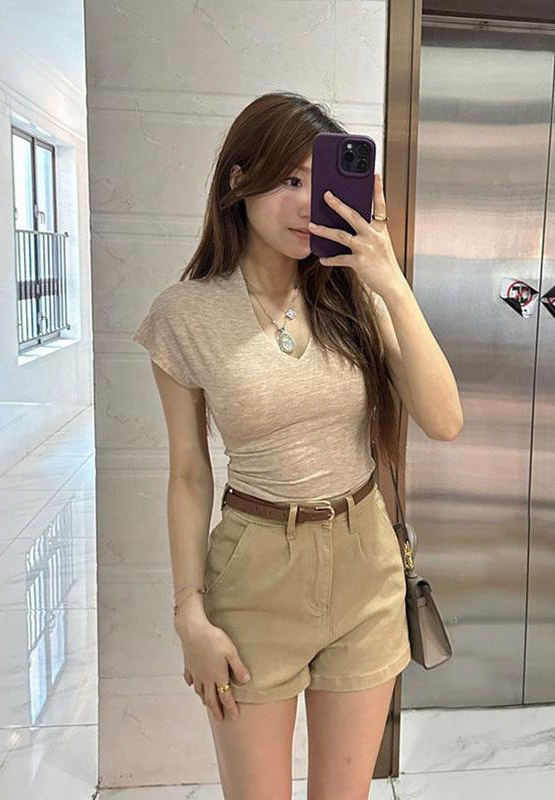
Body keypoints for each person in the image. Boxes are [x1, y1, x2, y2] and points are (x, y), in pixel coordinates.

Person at [132, 91, 463, 800]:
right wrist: (189, 614)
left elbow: (444, 420)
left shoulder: (352, 296)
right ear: (238, 182)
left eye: (321, 180)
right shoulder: (184, 313)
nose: (310, 202)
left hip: (366, 564)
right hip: (256, 574)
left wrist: (389, 279)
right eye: (289, 179)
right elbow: (188, 473)